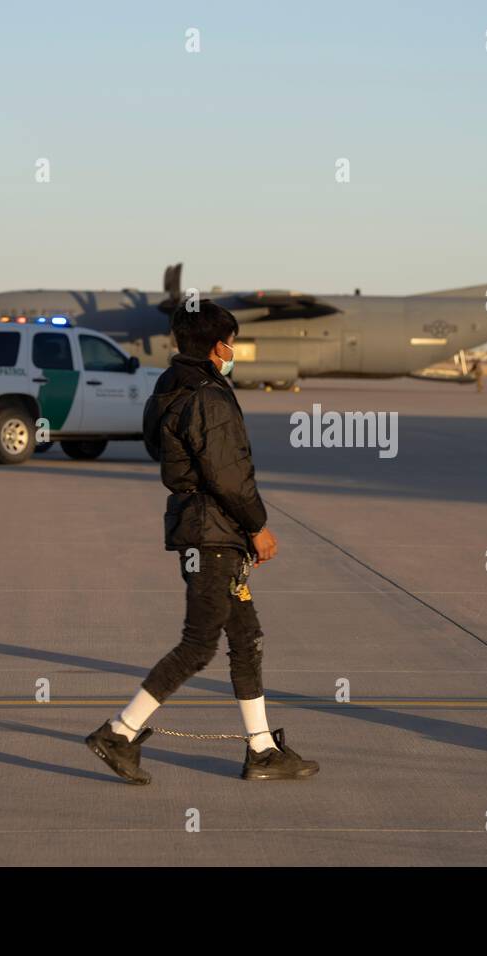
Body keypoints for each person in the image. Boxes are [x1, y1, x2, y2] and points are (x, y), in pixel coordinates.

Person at [85, 299, 319, 783]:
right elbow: (228, 475)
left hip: (202, 529)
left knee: (246, 637)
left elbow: (164, 449)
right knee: (198, 644)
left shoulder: (169, 387)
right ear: (218, 346)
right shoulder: (208, 397)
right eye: (230, 343)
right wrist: (257, 527)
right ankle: (119, 732)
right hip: (214, 533)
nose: (232, 351)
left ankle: (262, 751)